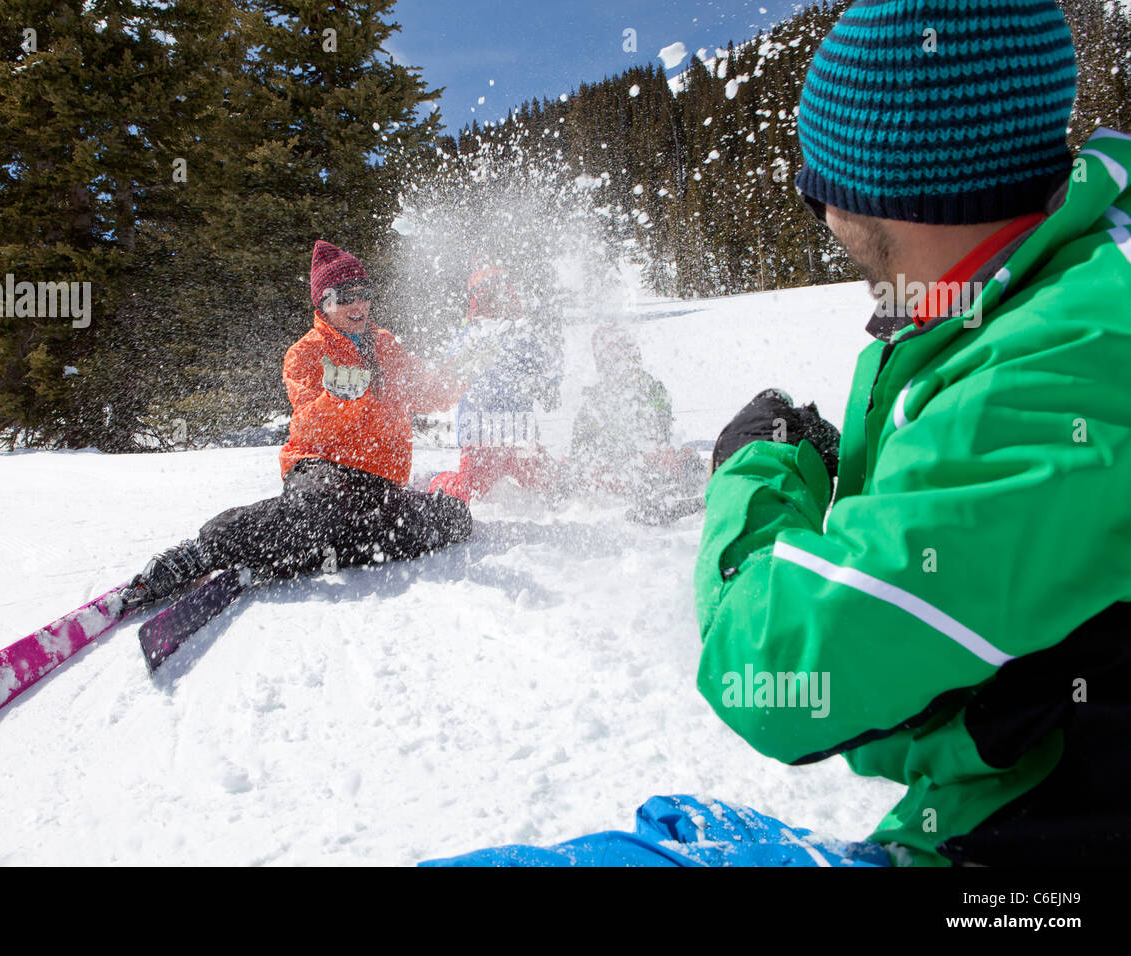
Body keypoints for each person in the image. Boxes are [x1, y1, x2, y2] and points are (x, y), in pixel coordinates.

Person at [425, 0, 1131, 866]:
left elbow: (778, 680)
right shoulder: (1065, 290)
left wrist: (754, 478)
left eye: (822, 188)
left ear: (887, 187)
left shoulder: (1060, 367)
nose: (821, 215)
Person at [121, 240, 473, 608]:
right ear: (324, 302)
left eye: (364, 293)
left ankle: (318, 549)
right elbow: (308, 425)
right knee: (314, 514)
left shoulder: (385, 345)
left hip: (378, 482)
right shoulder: (305, 353)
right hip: (323, 469)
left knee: (452, 519)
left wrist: (463, 373)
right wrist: (338, 399)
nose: (359, 305)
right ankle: (200, 553)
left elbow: (431, 393)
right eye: (346, 295)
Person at [425, 258, 563, 503]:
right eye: (487, 300)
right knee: (467, 492)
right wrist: (467, 361)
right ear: (476, 303)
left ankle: (558, 468)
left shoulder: (523, 333)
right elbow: (451, 373)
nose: (495, 306)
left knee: (548, 485)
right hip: (481, 438)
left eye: (500, 297)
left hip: (521, 434)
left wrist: (546, 386)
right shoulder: (468, 335)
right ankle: (438, 480)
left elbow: (547, 369)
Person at [567, 324, 706, 523]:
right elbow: (580, 446)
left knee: (682, 459)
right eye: (616, 362)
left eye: (631, 358)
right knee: (592, 471)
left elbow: (661, 430)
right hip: (613, 465)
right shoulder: (595, 400)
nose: (627, 368)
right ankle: (650, 491)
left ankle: (674, 491)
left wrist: (653, 441)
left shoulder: (651, 388)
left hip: (646, 460)